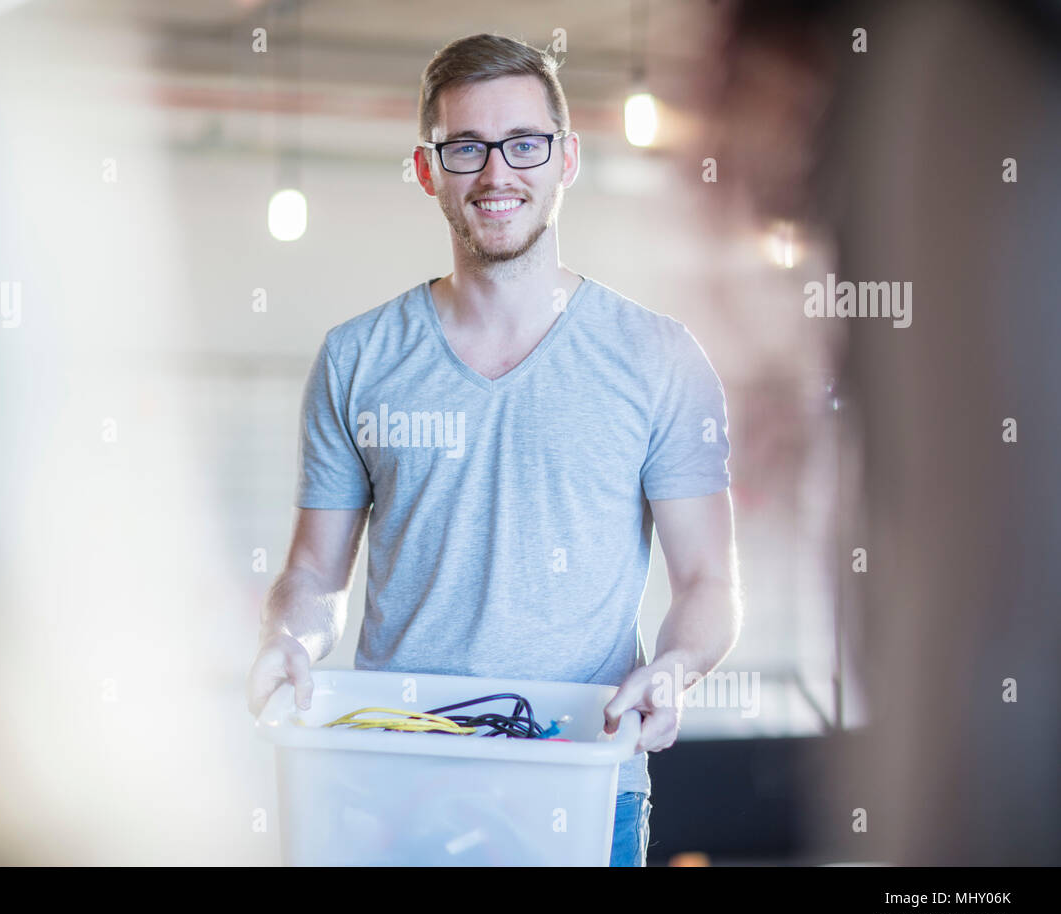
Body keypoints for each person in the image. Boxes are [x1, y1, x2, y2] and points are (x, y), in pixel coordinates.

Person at [246, 33, 743, 867]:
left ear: (566, 159)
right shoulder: (358, 359)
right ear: (426, 167)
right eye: (466, 147)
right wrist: (289, 641)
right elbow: (313, 577)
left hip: (582, 781)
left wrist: (676, 666)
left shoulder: (658, 358)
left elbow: (709, 583)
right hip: (392, 781)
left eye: (523, 144)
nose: (496, 172)